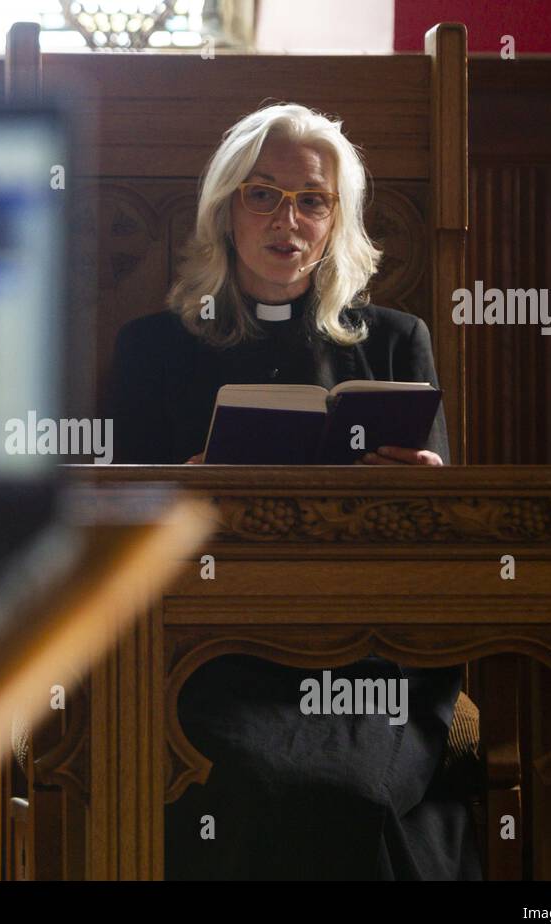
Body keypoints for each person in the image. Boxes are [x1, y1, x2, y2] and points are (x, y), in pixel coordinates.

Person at [107, 102, 480, 879]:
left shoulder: (394, 339)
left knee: (350, 790)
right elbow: (105, 524)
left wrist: (427, 491)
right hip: (208, 651)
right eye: (263, 193)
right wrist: (183, 487)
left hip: (370, 651)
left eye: (313, 198)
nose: (289, 218)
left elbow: (444, 526)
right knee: (251, 780)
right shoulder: (152, 350)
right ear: (225, 209)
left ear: (336, 218)